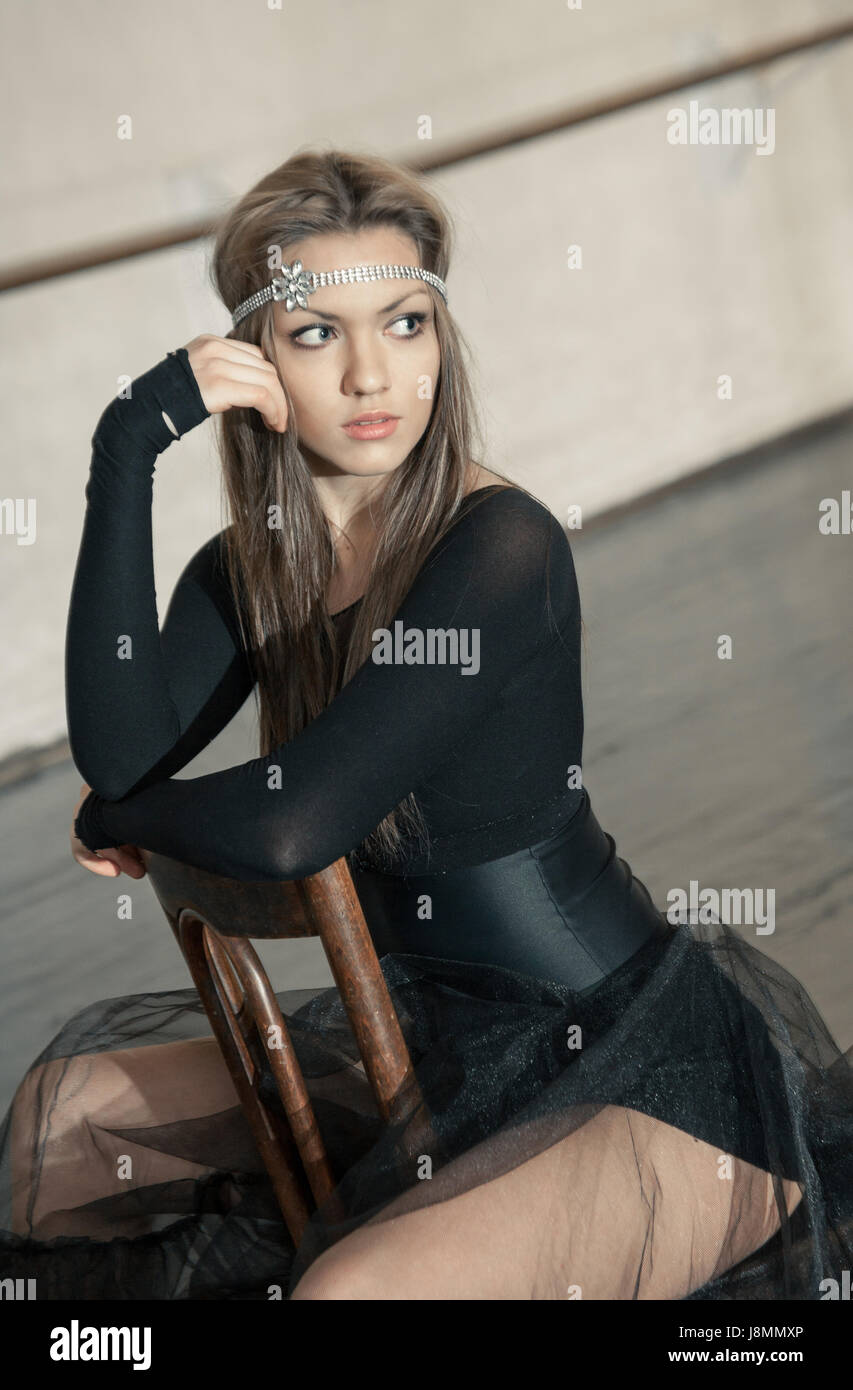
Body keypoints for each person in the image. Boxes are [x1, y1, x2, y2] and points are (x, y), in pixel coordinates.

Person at [0, 148, 850, 1301]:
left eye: (404, 322)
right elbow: (119, 746)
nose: (369, 373)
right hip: (424, 1049)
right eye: (316, 334)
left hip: (636, 1074)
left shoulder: (500, 549)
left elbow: (292, 822)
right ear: (249, 363)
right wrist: (127, 446)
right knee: (63, 1123)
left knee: (356, 1291)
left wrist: (122, 814)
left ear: (442, 339)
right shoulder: (256, 567)